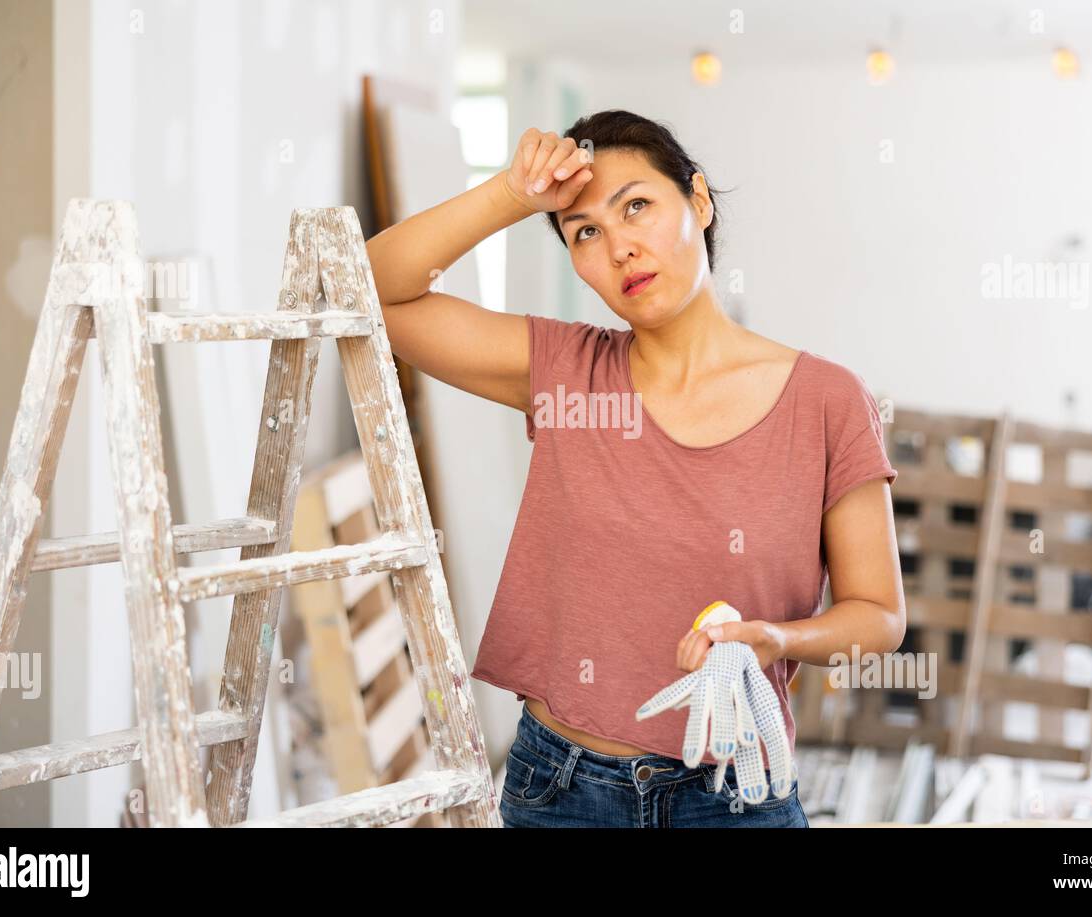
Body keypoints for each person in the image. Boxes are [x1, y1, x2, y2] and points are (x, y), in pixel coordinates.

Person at [365, 109, 905, 827]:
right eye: (585, 231)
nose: (619, 247)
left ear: (700, 200)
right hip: (560, 791)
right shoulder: (562, 373)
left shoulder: (828, 401)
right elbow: (368, 288)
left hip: (733, 796)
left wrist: (777, 638)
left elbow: (880, 615)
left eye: (637, 206)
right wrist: (511, 194)